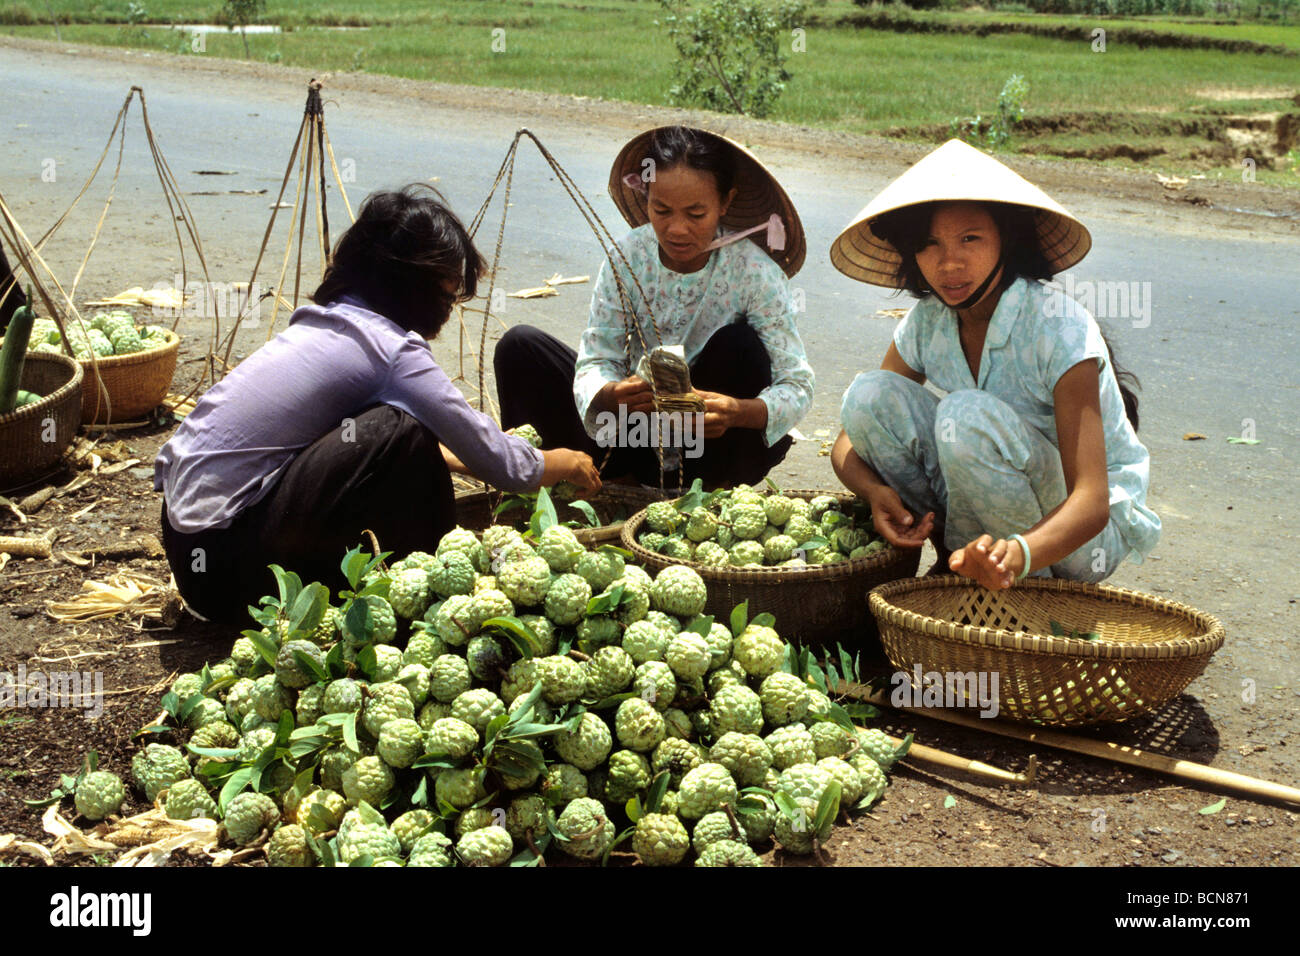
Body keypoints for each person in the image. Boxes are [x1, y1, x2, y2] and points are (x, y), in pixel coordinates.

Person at [154, 184, 599, 624]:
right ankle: (435, 593)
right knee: (396, 425)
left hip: (188, 552)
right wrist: (563, 462)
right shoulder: (391, 351)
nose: (449, 308)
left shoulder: (323, 326)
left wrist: (448, 457)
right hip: (236, 576)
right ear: (410, 282)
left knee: (397, 426)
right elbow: (503, 464)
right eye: (447, 294)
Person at [827, 139, 1159, 590]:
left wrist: (1017, 556)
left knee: (965, 415)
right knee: (869, 395)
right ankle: (960, 557)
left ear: (1008, 239)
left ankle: (1026, 589)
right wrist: (874, 492)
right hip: (989, 518)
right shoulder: (926, 323)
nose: (949, 263)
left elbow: (1093, 501)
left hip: (1079, 540)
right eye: (928, 244)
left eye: (970, 239)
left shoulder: (1059, 327)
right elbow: (851, 434)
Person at [494, 125, 815, 489]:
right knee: (520, 347)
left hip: (708, 445)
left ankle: (694, 491)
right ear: (646, 198)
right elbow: (599, 355)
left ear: (725, 203)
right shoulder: (628, 256)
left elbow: (797, 383)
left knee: (740, 344)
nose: (677, 229)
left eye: (696, 214)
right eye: (661, 210)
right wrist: (609, 394)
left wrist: (737, 412)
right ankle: (564, 480)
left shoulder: (755, 272)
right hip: (630, 435)